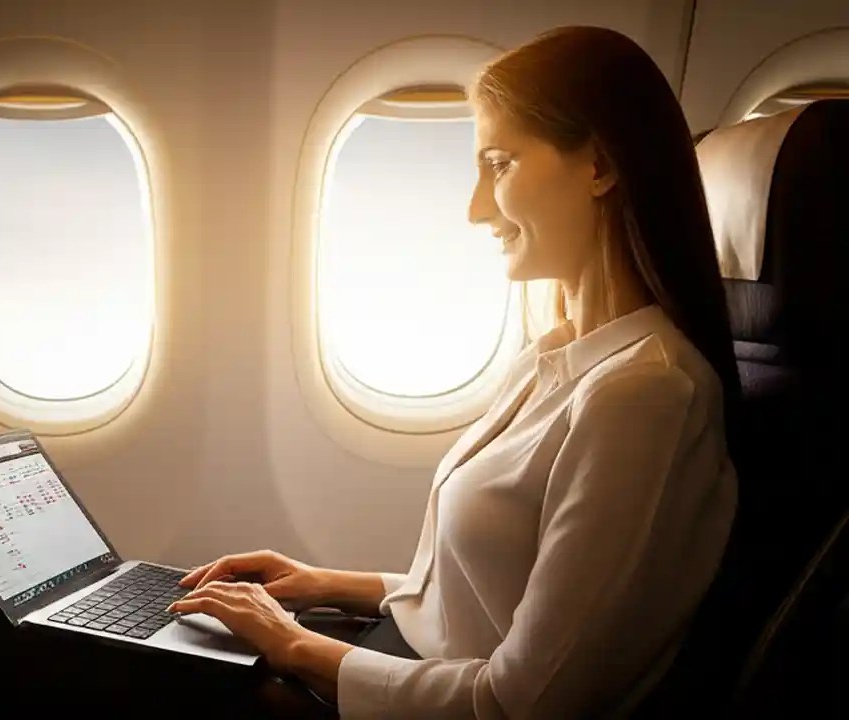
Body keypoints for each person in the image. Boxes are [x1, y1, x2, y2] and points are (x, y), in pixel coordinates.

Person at [167, 24, 741, 719]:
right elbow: (487, 600)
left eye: (499, 164)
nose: (476, 209)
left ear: (599, 165)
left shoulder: (643, 396)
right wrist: (324, 584)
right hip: (408, 661)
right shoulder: (557, 358)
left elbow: (524, 701)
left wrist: (291, 646)